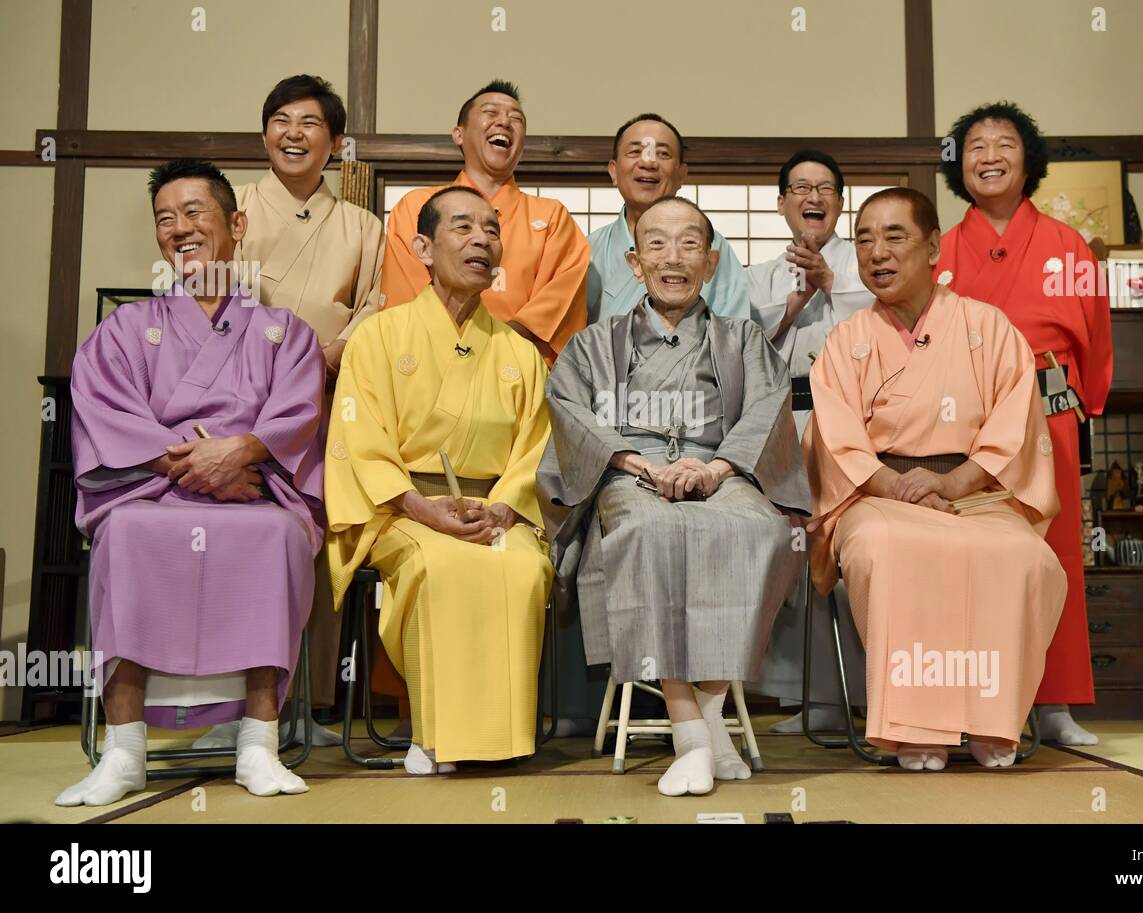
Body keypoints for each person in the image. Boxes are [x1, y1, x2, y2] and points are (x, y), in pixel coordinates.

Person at [58, 160, 324, 805]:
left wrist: (241, 454)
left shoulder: (283, 331)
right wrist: (201, 470)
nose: (179, 229)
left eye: (194, 213)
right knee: (122, 533)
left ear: (235, 224)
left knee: (278, 538)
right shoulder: (123, 328)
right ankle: (124, 751)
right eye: (165, 219)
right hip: (152, 491)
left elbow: (295, 416)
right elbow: (107, 414)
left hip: (253, 489)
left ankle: (257, 744)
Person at [538, 196, 808, 796]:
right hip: (629, 475)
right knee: (647, 533)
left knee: (763, 531)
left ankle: (705, 726)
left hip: (722, 470)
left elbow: (767, 409)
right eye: (656, 244)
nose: (673, 258)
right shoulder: (593, 344)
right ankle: (693, 731)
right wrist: (635, 462)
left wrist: (715, 467)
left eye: (690, 244)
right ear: (634, 263)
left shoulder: (742, 338)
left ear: (711, 263)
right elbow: (570, 412)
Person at [804, 187, 1066, 771]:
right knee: (883, 548)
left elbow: (1015, 419)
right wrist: (896, 487)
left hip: (975, 491)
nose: (877, 252)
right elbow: (835, 433)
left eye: (895, 236)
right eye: (865, 239)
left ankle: (991, 720)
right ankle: (914, 725)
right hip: (877, 494)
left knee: (1025, 559)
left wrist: (953, 484)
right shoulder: (846, 341)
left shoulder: (987, 327)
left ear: (932, 247)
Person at [327, 186, 552, 773]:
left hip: (492, 509)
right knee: (439, 564)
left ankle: (500, 735)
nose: (482, 240)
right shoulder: (377, 336)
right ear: (423, 247)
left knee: (523, 565)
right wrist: (424, 510)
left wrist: (504, 509)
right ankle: (434, 734)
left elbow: (535, 446)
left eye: (491, 229)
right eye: (463, 228)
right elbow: (359, 438)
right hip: (403, 509)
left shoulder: (518, 351)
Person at [195, 74, 383, 750]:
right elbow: (206, 295)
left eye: (310, 122)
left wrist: (327, 352)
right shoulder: (233, 206)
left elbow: (373, 311)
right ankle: (223, 703)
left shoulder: (362, 224)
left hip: (320, 405)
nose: (294, 132)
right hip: (236, 405)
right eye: (281, 119)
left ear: (334, 143)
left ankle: (311, 704)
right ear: (265, 133)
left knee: (316, 539)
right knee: (231, 539)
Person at [935, 101, 1113, 746]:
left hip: (1046, 413)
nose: (988, 155)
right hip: (964, 423)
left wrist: (1078, 404)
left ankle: (1055, 703)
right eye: (975, 145)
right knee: (967, 555)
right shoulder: (943, 249)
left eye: (1004, 143)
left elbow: (1095, 342)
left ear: (1028, 158)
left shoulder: (1068, 245)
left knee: (1054, 551)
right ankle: (968, 701)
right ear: (959, 165)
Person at [747, 149, 874, 733]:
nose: (813, 197)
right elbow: (742, 353)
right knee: (792, 550)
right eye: (799, 187)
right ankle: (806, 699)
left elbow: (885, 335)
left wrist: (833, 287)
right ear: (782, 204)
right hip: (785, 420)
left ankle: (864, 696)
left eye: (825, 187)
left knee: (844, 548)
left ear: (840, 204)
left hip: (852, 424)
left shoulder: (862, 266)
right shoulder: (759, 275)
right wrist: (792, 305)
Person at [380, 80, 588, 365]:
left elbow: (559, 301)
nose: (504, 121)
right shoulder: (415, 207)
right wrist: (457, 347)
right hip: (430, 363)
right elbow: (405, 297)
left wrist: (494, 347)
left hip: (519, 367)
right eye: (491, 113)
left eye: (516, 119)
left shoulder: (552, 216)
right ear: (459, 134)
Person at [587, 114, 749, 322]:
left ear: (682, 174)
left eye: (662, 154)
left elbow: (733, 332)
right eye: (635, 151)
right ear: (614, 171)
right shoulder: (588, 250)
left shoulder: (712, 247)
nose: (648, 162)